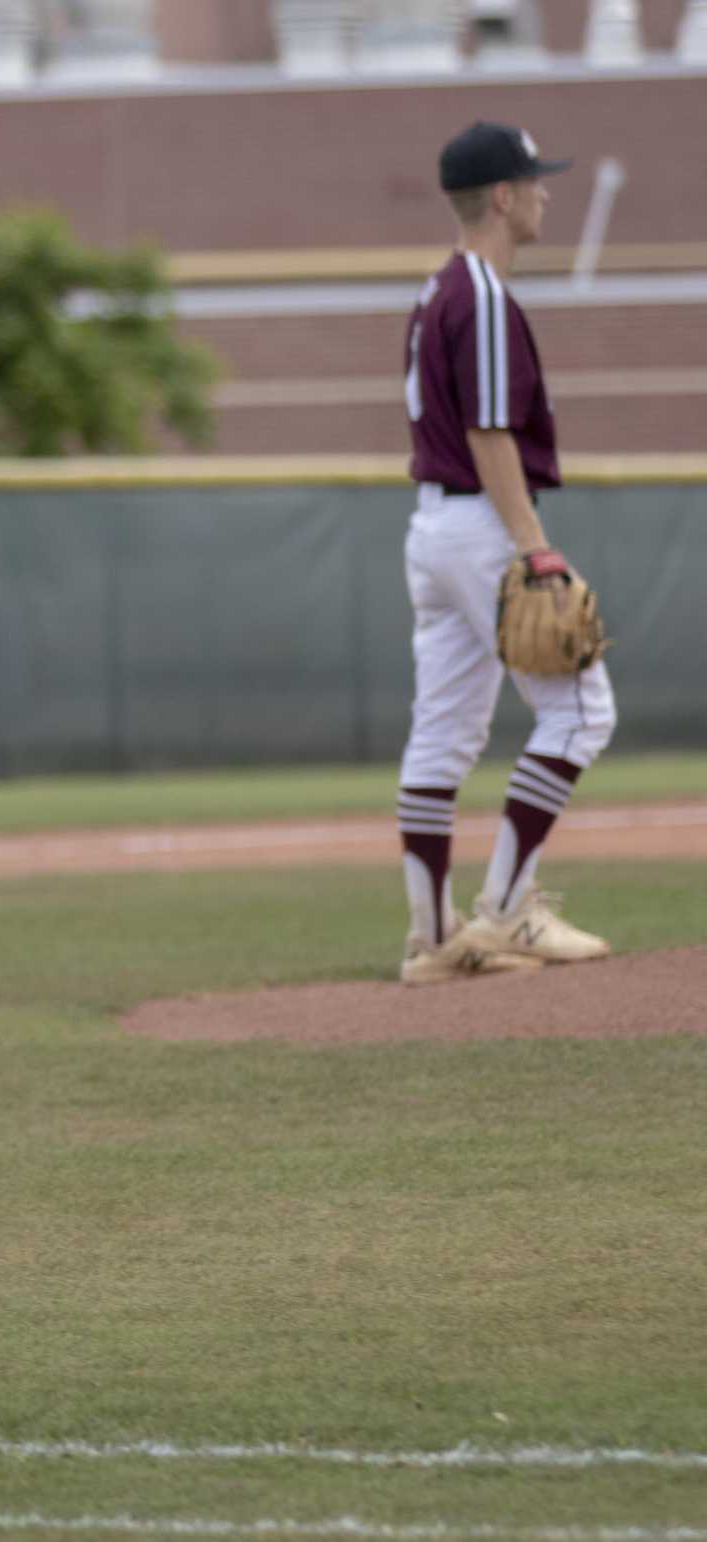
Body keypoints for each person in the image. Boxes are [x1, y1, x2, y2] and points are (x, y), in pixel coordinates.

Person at [394, 120, 615, 986]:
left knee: (443, 732)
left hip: (432, 527)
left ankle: (430, 939)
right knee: (583, 712)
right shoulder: (481, 294)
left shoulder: (436, 291)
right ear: (502, 197)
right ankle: (510, 912)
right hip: (482, 522)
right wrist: (536, 551)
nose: (545, 192)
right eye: (534, 181)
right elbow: (490, 433)